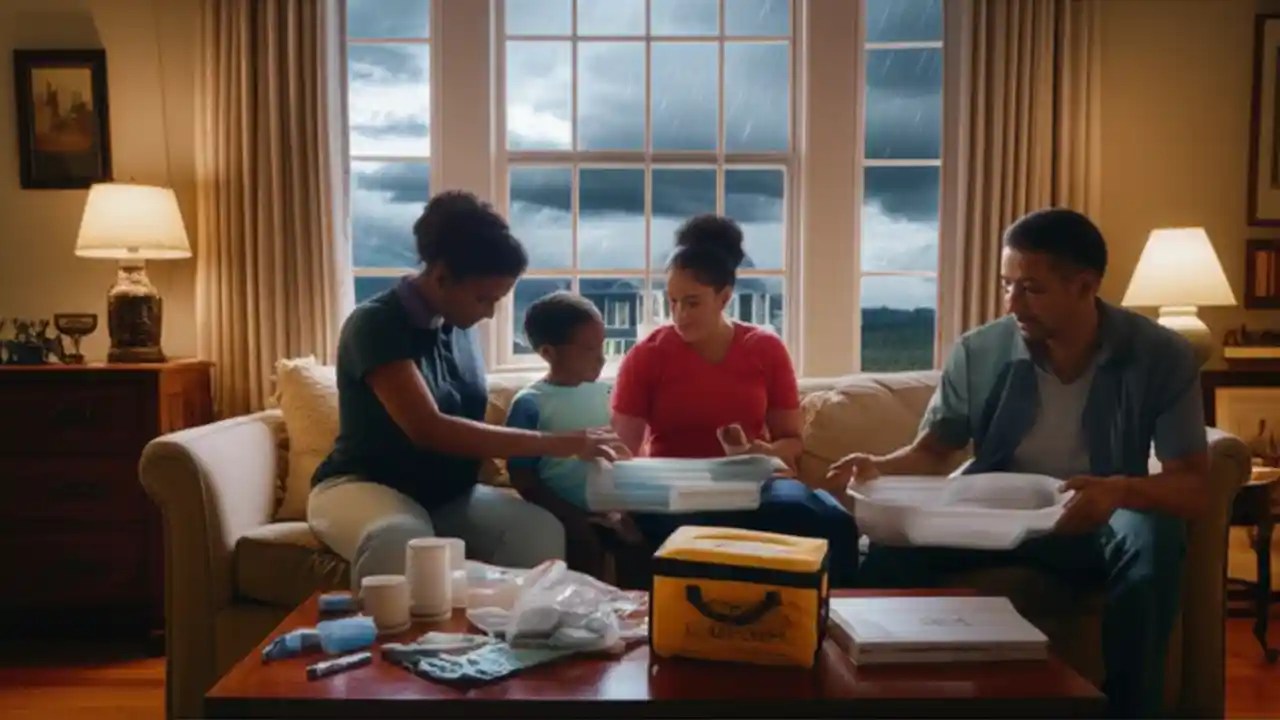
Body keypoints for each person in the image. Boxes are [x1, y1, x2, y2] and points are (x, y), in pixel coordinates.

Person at [827, 208, 1209, 718]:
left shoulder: (1161, 355)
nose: (1012, 304)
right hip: (993, 521)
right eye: (1007, 285)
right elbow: (934, 450)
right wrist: (879, 467)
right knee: (881, 553)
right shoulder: (979, 351)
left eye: (1031, 288)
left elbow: (1193, 486)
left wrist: (1119, 490)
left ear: (1085, 286)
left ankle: (1129, 710)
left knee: (1156, 536)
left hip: (1098, 517)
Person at [307, 191, 624, 588]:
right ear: (441, 277)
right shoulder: (376, 324)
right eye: (483, 298)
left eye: (497, 300)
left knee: (538, 530)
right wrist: (562, 443)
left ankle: (517, 628)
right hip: (361, 485)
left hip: (447, 497)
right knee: (400, 536)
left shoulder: (458, 327)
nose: (489, 312)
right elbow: (430, 429)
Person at [611, 214, 860, 586]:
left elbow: (792, 442)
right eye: (673, 302)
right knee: (691, 530)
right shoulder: (647, 356)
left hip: (755, 484)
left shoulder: (764, 349)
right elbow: (622, 452)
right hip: (676, 488)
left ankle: (828, 616)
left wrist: (763, 451)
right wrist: (618, 506)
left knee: (830, 521)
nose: (679, 315)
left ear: (724, 297)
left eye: (692, 303)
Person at [504, 291, 644, 578]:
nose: (601, 359)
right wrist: (571, 517)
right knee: (585, 546)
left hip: (616, 504)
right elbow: (522, 476)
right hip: (565, 509)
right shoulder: (531, 403)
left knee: (640, 546)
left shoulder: (609, 393)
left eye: (602, 346)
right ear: (548, 353)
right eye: (589, 349)